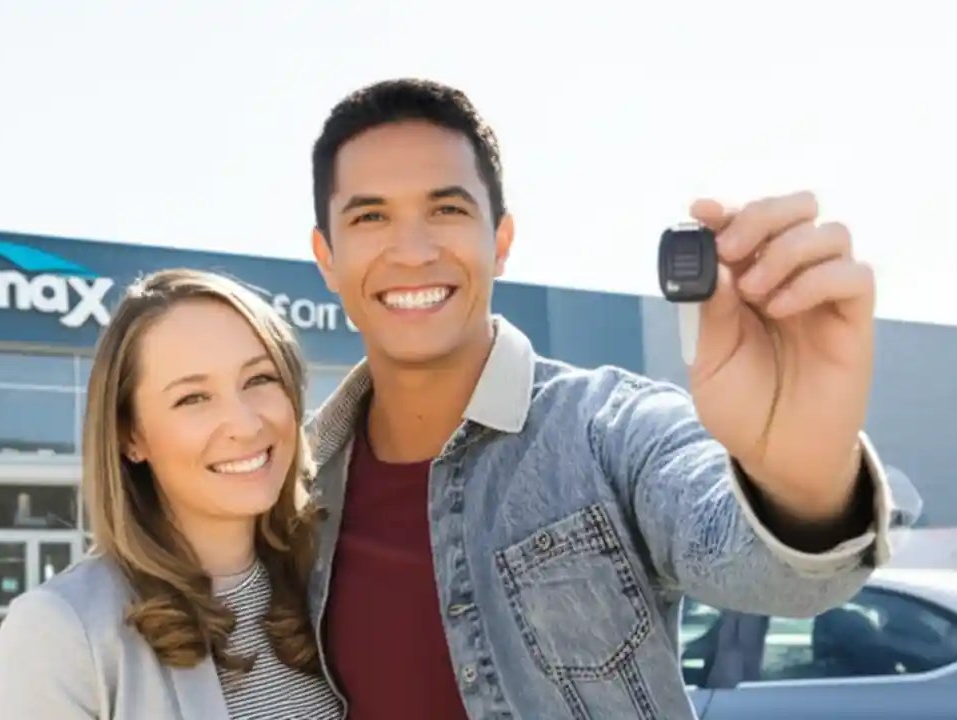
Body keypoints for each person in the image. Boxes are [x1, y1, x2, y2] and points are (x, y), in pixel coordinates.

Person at [304, 78, 920, 719]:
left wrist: (802, 474)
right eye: (370, 216)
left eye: (447, 210)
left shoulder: (606, 431)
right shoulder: (294, 492)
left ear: (502, 242)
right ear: (327, 257)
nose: (413, 252)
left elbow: (769, 570)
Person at [0, 269, 343, 719]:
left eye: (259, 380)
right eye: (193, 398)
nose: (247, 424)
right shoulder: (60, 629)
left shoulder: (333, 583)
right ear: (129, 435)